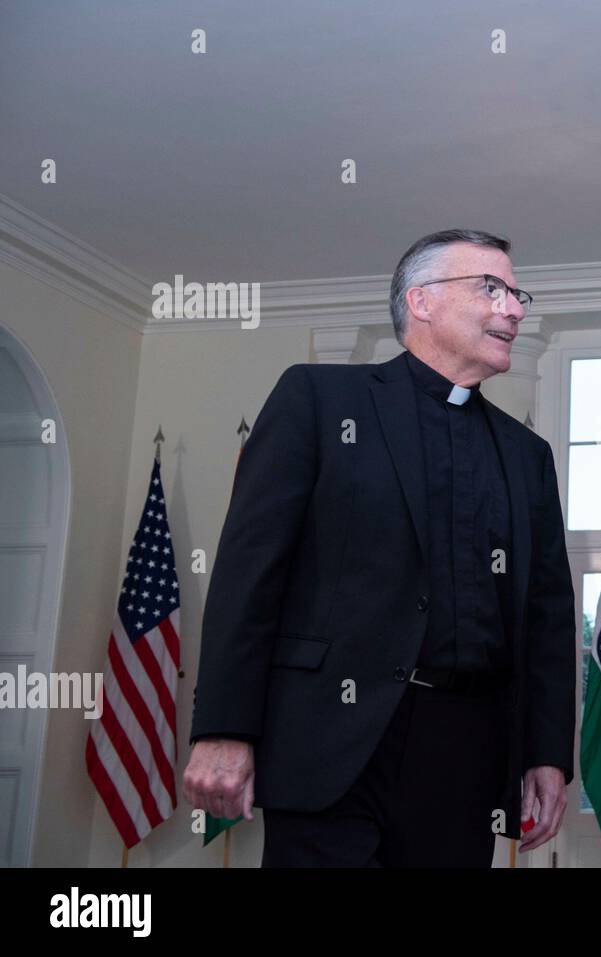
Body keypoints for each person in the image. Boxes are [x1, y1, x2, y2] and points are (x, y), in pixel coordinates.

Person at [183, 229, 576, 867]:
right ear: (421, 301)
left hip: (466, 756)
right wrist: (223, 728)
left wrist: (547, 753)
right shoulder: (317, 399)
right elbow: (248, 574)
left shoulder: (526, 455)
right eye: (492, 289)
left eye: (516, 293)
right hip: (330, 739)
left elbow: (548, 617)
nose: (515, 309)